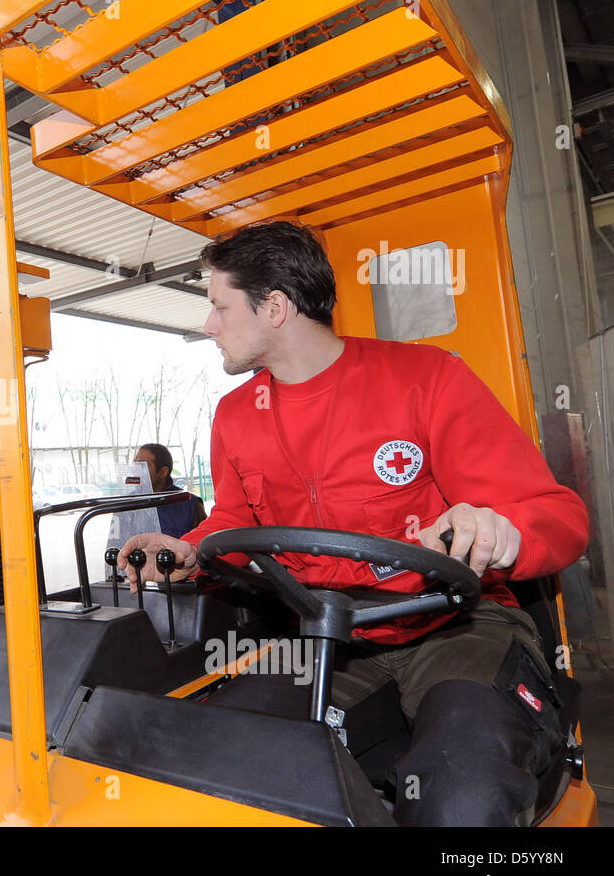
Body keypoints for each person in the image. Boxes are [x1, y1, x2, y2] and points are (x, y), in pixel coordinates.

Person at [117, 220, 588, 826]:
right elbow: (235, 519)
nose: (208, 326)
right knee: (217, 761)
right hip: (329, 633)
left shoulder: (427, 379)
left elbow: (558, 514)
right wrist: (185, 549)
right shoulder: (236, 416)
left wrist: (498, 528)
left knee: (463, 790)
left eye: (218, 307)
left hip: (456, 627)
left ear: (276, 308)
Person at [133, 443, 207, 538]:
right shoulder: (125, 506)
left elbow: (204, 547)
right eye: (135, 466)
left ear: (163, 472)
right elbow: (115, 548)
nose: (136, 471)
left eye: (142, 466)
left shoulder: (190, 504)